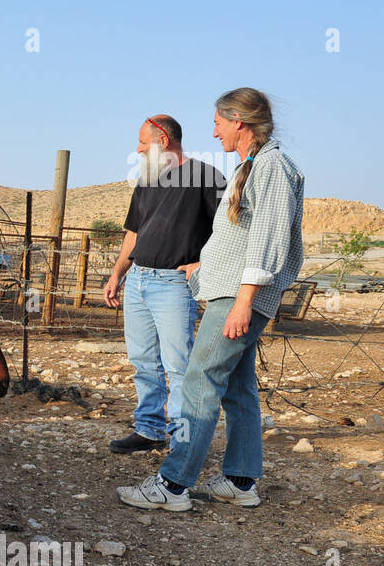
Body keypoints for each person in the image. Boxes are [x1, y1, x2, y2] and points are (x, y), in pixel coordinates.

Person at [117, 88, 304, 511]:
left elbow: (267, 239)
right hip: (228, 289)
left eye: (219, 122)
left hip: (238, 297)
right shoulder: (251, 166)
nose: (214, 130)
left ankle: (173, 483)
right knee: (238, 388)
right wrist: (205, 267)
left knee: (199, 381)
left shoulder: (272, 167)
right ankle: (240, 479)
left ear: (239, 120)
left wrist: (244, 300)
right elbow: (237, 236)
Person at [104, 115, 225, 453]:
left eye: (143, 142)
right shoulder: (146, 179)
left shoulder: (205, 176)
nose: (138, 149)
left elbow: (231, 228)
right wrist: (118, 273)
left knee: (179, 364)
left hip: (173, 283)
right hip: (138, 279)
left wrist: (203, 263)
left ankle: (183, 439)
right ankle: (149, 431)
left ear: (163, 139)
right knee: (143, 361)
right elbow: (134, 231)